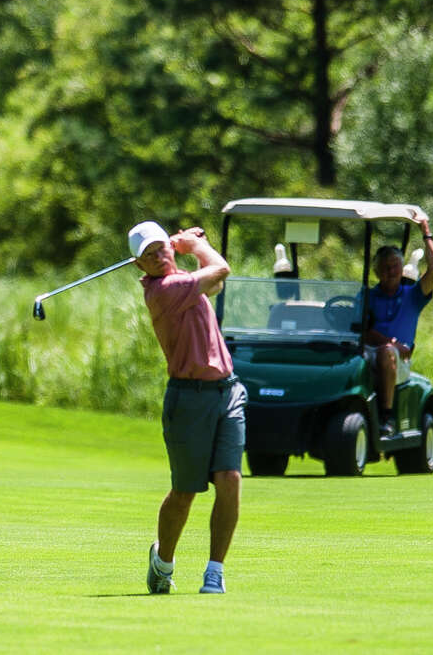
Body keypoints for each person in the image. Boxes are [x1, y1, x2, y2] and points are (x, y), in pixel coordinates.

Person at [127, 220, 247, 596]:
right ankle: (162, 562)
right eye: (149, 254)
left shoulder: (185, 282)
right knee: (185, 492)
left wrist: (192, 247)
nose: (159, 255)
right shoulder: (163, 290)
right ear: (139, 266)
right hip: (188, 398)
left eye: (162, 247)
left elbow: (216, 279)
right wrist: (194, 244)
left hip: (227, 391)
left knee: (230, 479)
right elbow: (221, 269)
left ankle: (215, 571)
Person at [363, 213, 433, 436]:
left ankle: (386, 416)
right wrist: (388, 342)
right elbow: (361, 331)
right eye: (386, 267)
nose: (391, 271)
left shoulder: (412, 296)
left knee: (386, 353)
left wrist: (426, 231)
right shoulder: (368, 296)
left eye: (395, 266)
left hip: (398, 360)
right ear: (377, 271)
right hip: (371, 352)